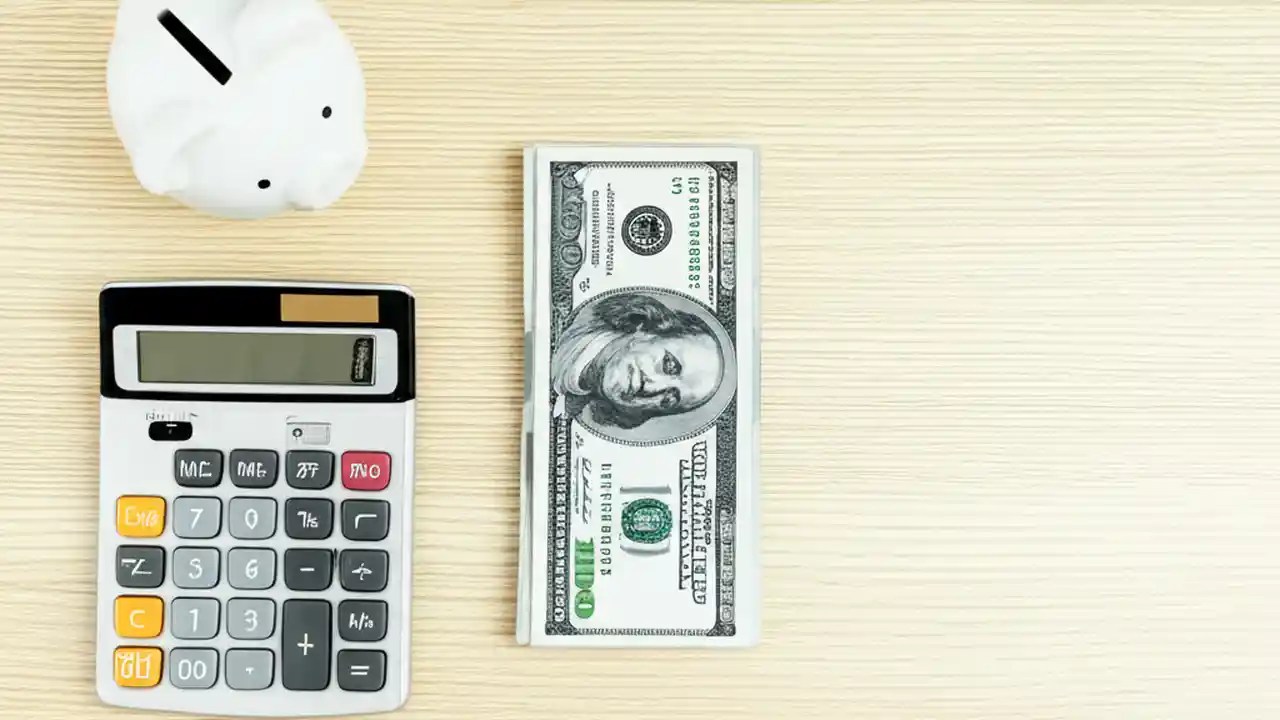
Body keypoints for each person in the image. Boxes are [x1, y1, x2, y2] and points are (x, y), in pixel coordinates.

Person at [552, 292, 726, 430]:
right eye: (669, 366)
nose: (653, 387)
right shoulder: (560, 336)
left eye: (668, 400)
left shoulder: (570, 409)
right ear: (645, 328)